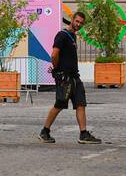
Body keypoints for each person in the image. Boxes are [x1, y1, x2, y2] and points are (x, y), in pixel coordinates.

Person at [38, 11, 101, 145]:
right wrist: (57, 70)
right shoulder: (62, 35)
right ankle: (45, 131)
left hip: (74, 77)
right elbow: (54, 54)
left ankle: (83, 134)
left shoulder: (72, 36)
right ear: (71, 19)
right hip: (65, 77)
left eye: (81, 23)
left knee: (80, 104)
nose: (78, 24)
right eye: (77, 21)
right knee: (59, 104)